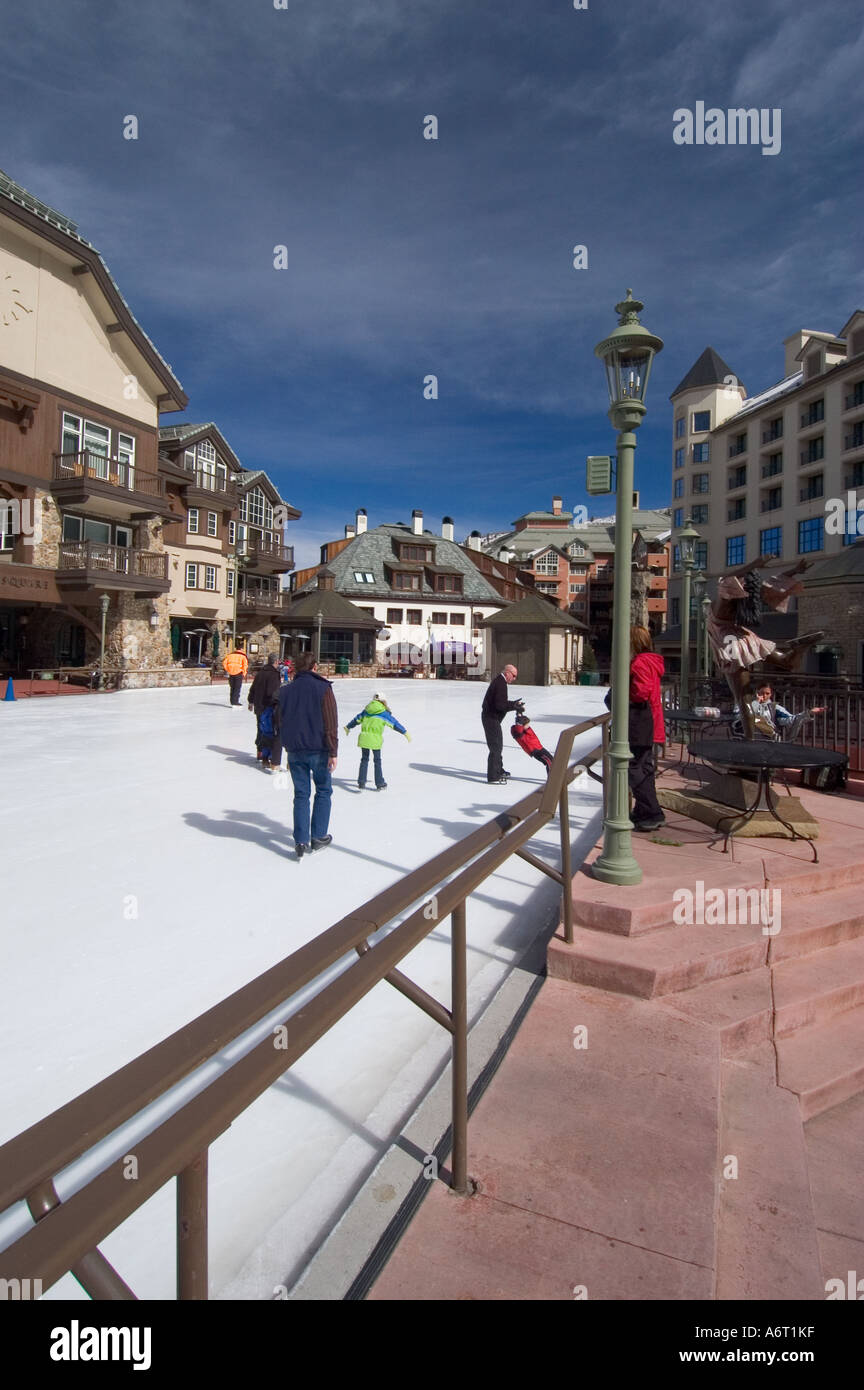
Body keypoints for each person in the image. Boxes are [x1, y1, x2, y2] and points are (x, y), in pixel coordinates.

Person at [277, 652, 338, 859]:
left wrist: (287, 745)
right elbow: (331, 722)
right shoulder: (323, 688)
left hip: (295, 750)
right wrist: (333, 751)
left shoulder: (285, 691)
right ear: (314, 666)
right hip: (319, 750)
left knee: (301, 794)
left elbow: (281, 721)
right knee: (323, 790)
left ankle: (301, 840)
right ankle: (318, 836)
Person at [628, 626, 665, 832]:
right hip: (651, 721)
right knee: (645, 767)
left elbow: (640, 692)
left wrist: (622, 694)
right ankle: (645, 810)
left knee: (633, 767)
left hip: (641, 723)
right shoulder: (652, 661)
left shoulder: (641, 662)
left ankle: (652, 811)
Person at [344, 695, 411, 789]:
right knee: (377, 761)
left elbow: (356, 719)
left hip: (364, 739)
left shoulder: (366, 710)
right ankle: (379, 783)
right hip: (375, 740)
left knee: (364, 759)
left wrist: (348, 727)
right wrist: (404, 732)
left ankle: (361, 782)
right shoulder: (383, 713)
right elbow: (394, 724)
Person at [481, 664, 523, 783]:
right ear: (507, 673)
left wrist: (513, 704)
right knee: (496, 746)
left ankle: (498, 769)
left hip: (492, 717)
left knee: (498, 744)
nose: (514, 679)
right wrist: (513, 706)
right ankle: (493, 776)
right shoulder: (500, 683)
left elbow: (501, 702)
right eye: (513, 676)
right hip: (490, 717)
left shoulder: (500, 682)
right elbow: (500, 706)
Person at [746, 683, 825, 741]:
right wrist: (756, 702)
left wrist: (809, 713)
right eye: (761, 693)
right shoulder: (747, 704)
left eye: (767, 693)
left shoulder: (774, 708)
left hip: (768, 740)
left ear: (771, 694)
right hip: (750, 738)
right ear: (757, 692)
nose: (764, 695)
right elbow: (741, 715)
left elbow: (791, 719)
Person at [247, 653, 282, 771]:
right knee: (270, 732)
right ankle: (267, 757)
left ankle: (260, 752)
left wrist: (251, 701)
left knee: (261, 729)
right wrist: (278, 702)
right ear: (276, 662)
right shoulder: (273, 674)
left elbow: (253, 688)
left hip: (259, 706)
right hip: (268, 707)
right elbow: (272, 693)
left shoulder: (261, 672)